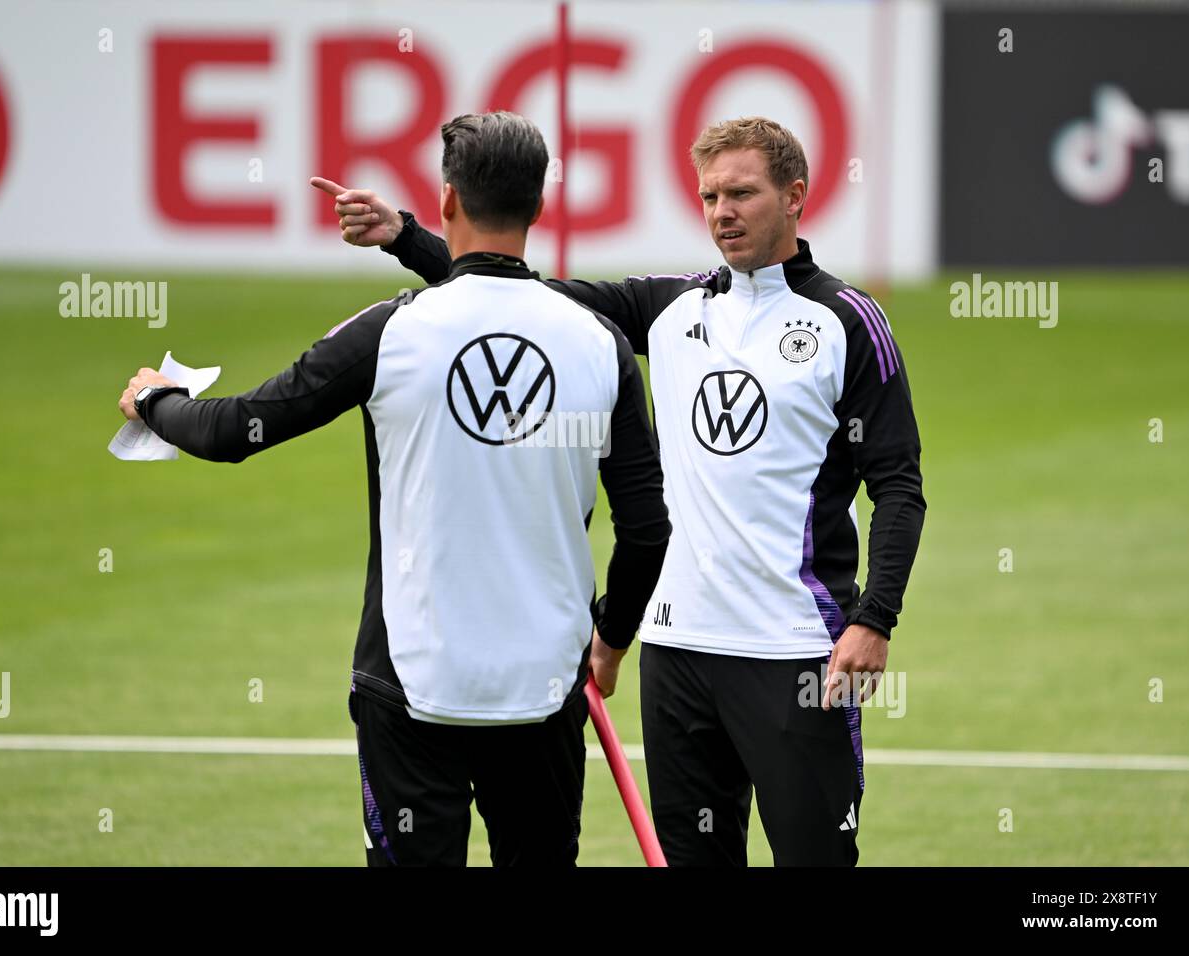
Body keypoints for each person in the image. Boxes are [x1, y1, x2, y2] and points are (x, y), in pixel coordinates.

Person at [323, 116, 926, 866]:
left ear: (796, 196)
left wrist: (875, 619)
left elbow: (899, 485)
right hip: (676, 655)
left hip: (797, 654)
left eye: (742, 193)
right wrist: (405, 237)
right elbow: (525, 298)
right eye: (709, 196)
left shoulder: (846, 320)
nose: (721, 213)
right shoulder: (672, 308)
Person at [117, 111, 671, 866]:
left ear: (447, 200)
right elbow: (647, 530)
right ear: (540, 207)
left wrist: (157, 401)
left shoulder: (389, 332)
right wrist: (609, 639)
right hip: (544, 689)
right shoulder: (599, 341)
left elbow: (234, 432)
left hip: (411, 687)